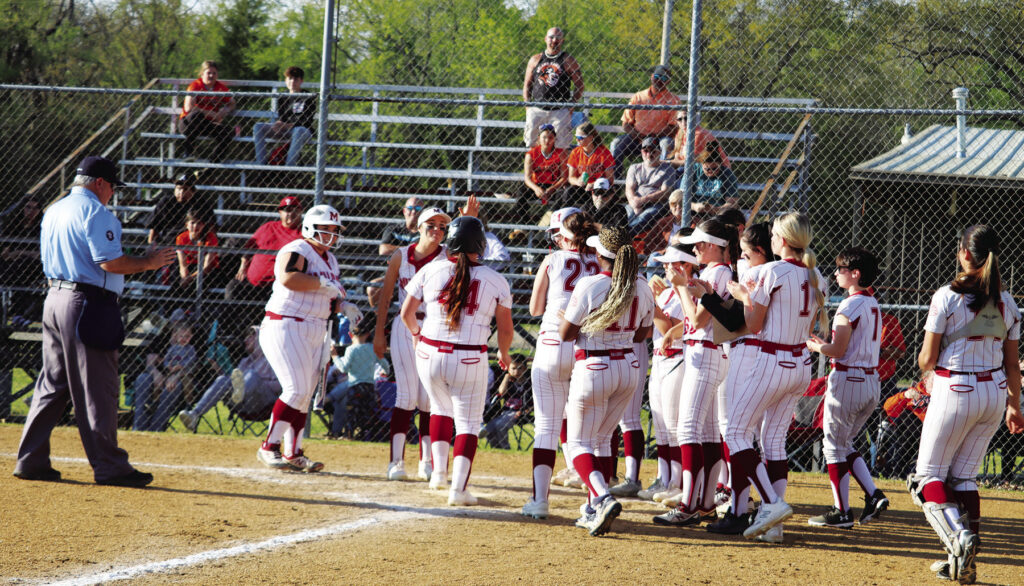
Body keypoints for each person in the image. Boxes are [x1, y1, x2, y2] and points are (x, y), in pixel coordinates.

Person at [13, 155, 175, 487]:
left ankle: (30, 460)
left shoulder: (54, 210)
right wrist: (149, 261)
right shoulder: (96, 212)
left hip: (54, 299)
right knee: (98, 388)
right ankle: (110, 467)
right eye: (112, 186)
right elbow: (111, 263)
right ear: (99, 183)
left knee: (52, 385)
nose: (112, 193)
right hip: (87, 302)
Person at [908, 224, 1022, 583]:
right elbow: (1012, 363)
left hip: (954, 388)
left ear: (964, 254)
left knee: (927, 478)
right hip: (994, 394)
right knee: (964, 478)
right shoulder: (1008, 301)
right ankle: (963, 563)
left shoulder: (947, 295)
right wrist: (1015, 405)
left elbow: (927, 359)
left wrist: (932, 355)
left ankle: (958, 539)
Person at [720, 212, 827, 540]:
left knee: (736, 432)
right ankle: (774, 527)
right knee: (774, 442)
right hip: (799, 362)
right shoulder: (815, 274)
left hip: (771, 359)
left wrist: (743, 296)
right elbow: (809, 327)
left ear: (781, 240)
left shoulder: (769, 271)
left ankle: (769, 503)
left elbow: (753, 325)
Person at [401, 216, 514, 506]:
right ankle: (458, 489)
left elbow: (406, 313)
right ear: (481, 245)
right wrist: (503, 352)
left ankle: (439, 474)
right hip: (468, 356)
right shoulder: (495, 279)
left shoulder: (431, 269)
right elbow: (505, 328)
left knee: (439, 409)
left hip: (429, 352)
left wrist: (416, 334)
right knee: (468, 424)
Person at [560, 225, 655, 536]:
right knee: (602, 438)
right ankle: (591, 507)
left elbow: (566, 334)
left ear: (601, 255)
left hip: (594, 365)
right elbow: (644, 333)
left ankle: (601, 497)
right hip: (627, 364)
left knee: (576, 442)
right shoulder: (642, 286)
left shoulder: (590, 284)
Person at [654, 218, 737, 526]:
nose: (697, 247)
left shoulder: (717, 272)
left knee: (689, 429)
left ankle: (689, 504)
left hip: (706, 352)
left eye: (702, 243)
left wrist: (679, 290)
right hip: (704, 352)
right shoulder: (714, 272)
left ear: (716, 246)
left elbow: (697, 319)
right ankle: (702, 502)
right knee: (705, 432)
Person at [521, 207, 600, 519]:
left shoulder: (552, 259)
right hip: (585, 346)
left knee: (546, 426)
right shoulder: (598, 261)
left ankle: (540, 500)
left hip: (554, 342)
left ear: (563, 236)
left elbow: (534, 307)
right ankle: (597, 498)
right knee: (589, 433)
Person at [256, 204, 346, 473]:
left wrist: (344, 306)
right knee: (295, 389)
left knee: (304, 394)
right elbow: (288, 278)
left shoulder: (330, 260)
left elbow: (329, 296)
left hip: (313, 328)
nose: (330, 235)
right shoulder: (298, 249)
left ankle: (292, 452)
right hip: (286, 324)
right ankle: (268, 447)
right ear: (310, 227)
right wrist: (322, 285)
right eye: (325, 229)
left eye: (334, 230)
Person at [805, 247, 890, 529]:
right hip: (870, 381)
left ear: (855, 274)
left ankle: (841, 512)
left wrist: (816, 345)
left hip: (849, 379)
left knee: (833, 447)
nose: (836, 273)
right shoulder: (871, 301)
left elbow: (838, 350)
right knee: (844, 445)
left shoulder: (850, 304)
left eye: (841, 269)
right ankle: (874, 494)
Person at [374, 206, 452, 482]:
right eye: (431, 224)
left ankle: (426, 461)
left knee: (428, 398)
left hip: (433, 327)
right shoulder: (400, 255)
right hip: (403, 326)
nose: (437, 230)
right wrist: (378, 333)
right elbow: (385, 297)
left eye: (442, 226)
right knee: (406, 395)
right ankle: (396, 462)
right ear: (418, 226)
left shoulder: (447, 257)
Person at [633, 238, 699, 503]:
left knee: (673, 425)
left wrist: (653, 303)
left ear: (685, 265)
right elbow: (650, 329)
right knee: (660, 425)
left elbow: (670, 326)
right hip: (661, 359)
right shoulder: (670, 290)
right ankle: (666, 479)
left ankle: (679, 482)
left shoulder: (691, 289)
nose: (665, 269)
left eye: (671, 264)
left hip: (678, 359)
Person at [178, 325, 279, 432]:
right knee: (222, 379)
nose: (246, 340)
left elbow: (280, 386)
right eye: (246, 337)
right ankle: (194, 414)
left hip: (263, 404)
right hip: (242, 404)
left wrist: (259, 383)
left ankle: (242, 391)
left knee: (252, 375)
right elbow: (232, 382)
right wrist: (218, 368)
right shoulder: (245, 362)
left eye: (251, 337)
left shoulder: (272, 360)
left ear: (261, 340)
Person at [225, 196, 303, 303]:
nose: (291, 213)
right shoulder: (268, 227)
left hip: (278, 286)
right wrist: (243, 266)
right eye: (287, 210)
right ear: (280, 212)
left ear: (301, 212)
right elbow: (248, 249)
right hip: (251, 281)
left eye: (295, 210)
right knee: (232, 288)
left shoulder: (303, 233)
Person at [523, 27, 585, 150]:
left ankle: (560, 169)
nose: (554, 40)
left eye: (558, 37)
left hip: (560, 109)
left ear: (562, 40)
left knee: (561, 146)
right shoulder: (536, 59)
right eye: (551, 37)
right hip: (537, 107)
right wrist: (528, 106)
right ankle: (534, 169)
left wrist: (571, 106)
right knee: (532, 145)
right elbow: (527, 85)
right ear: (546, 39)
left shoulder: (568, 60)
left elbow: (580, 85)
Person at [329, 315, 390, 439]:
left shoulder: (351, 350)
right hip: (369, 386)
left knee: (351, 412)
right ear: (368, 334)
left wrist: (335, 357)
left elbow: (343, 368)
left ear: (351, 335)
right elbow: (386, 366)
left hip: (355, 386)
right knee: (367, 413)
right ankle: (368, 434)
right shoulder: (372, 349)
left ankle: (349, 434)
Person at [611, 65, 680, 173]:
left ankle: (663, 177)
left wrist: (654, 137)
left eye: (664, 79)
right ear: (652, 77)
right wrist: (639, 136)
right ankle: (615, 180)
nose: (660, 80)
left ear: (668, 82)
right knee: (616, 143)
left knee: (666, 144)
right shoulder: (638, 97)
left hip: (660, 139)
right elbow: (626, 124)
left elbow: (673, 127)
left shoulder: (673, 100)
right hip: (637, 139)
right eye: (657, 76)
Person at [134, 323, 196, 432]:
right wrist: (157, 374)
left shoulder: (191, 346)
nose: (183, 338)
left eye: (186, 335)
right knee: (142, 379)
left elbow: (193, 365)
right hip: (158, 376)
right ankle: (139, 428)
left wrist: (176, 375)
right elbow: (150, 364)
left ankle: (156, 429)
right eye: (179, 334)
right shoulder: (161, 340)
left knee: (172, 387)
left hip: (179, 378)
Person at [253, 66, 315, 167]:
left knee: (298, 130)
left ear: (301, 81)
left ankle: (289, 168)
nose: (292, 81)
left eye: (296, 79)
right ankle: (261, 165)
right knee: (258, 127)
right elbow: (283, 117)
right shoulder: (283, 97)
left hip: (303, 131)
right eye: (290, 78)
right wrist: (278, 124)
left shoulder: (308, 96)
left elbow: (306, 121)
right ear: (286, 81)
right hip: (286, 130)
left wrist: (286, 125)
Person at [179, 60, 236, 161]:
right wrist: (211, 113)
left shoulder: (220, 88)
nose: (211, 76)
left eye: (214, 73)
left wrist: (225, 110)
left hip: (207, 125)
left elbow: (232, 103)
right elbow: (188, 107)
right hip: (189, 124)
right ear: (202, 73)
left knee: (228, 132)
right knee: (197, 115)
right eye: (208, 73)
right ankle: (188, 152)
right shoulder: (195, 85)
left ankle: (213, 162)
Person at [1, 196, 44, 325]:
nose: (31, 211)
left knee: (21, 267)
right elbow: (5, 253)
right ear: (22, 209)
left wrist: (20, 252)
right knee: (13, 268)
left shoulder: (42, 227)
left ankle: (18, 313)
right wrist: (11, 255)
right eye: (28, 207)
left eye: (36, 208)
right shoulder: (14, 226)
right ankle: (18, 314)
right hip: (12, 264)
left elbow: (42, 254)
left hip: (34, 266)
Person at [625, 137, 677, 234]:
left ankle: (624, 235)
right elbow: (629, 189)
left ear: (660, 152)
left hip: (656, 204)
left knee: (643, 218)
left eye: (653, 151)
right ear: (641, 152)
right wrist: (635, 203)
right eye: (646, 151)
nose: (649, 154)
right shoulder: (635, 168)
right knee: (624, 216)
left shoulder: (668, 169)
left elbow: (665, 193)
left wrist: (643, 200)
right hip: (635, 202)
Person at [147, 171, 213, 245]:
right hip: (169, 242)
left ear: (193, 191)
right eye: (179, 188)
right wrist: (153, 246)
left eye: (185, 189)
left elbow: (211, 228)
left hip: (192, 245)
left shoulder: (201, 203)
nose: (181, 193)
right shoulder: (166, 202)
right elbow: (154, 228)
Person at [481, 354, 532, 449]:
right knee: (489, 429)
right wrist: (507, 377)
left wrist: (526, 411)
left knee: (500, 425)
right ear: (508, 369)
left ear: (525, 369)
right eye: (513, 368)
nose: (516, 371)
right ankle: (496, 448)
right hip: (505, 412)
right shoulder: (509, 382)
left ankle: (505, 448)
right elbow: (501, 391)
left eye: (520, 368)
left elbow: (533, 402)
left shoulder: (529, 383)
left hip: (520, 412)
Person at [520, 123, 569, 212]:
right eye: (544, 137)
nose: (547, 140)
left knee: (562, 194)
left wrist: (552, 189)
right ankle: (523, 220)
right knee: (521, 191)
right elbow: (527, 178)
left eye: (550, 138)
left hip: (554, 186)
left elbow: (564, 177)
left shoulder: (561, 154)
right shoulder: (531, 154)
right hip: (537, 185)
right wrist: (536, 189)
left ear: (554, 139)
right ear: (539, 138)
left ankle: (554, 218)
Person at [566, 122, 615, 207]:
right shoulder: (575, 152)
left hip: (599, 189)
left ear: (591, 137)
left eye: (581, 137)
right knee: (568, 192)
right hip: (582, 188)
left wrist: (594, 184)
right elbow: (571, 178)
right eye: (576, 137)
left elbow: (610, 179)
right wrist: (577, 182)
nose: (577, 140)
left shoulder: (604, 152)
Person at [172, 209, 222, 293]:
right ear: (187, 225)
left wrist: (190, 278)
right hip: (190, 266)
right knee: (176, 284)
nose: (195, 226)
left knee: (195, 284)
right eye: (192, 223)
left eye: (199, 223)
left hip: (206, 270)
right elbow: (183, 265)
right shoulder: (181, 238)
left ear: (204, 225)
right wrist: (185, 278)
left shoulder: (211, 238)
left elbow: (206, 267)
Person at [687, 141, 739, 209]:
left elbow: (732, 203)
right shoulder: (693, 170)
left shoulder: (727, 173)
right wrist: (694, 206)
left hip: (718, 212)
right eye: (707, 169)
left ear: (720, 164)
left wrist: (715, 209)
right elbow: (681, 197)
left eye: (715, 168)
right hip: (693, 211)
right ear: (701, 164)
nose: (711, 172)